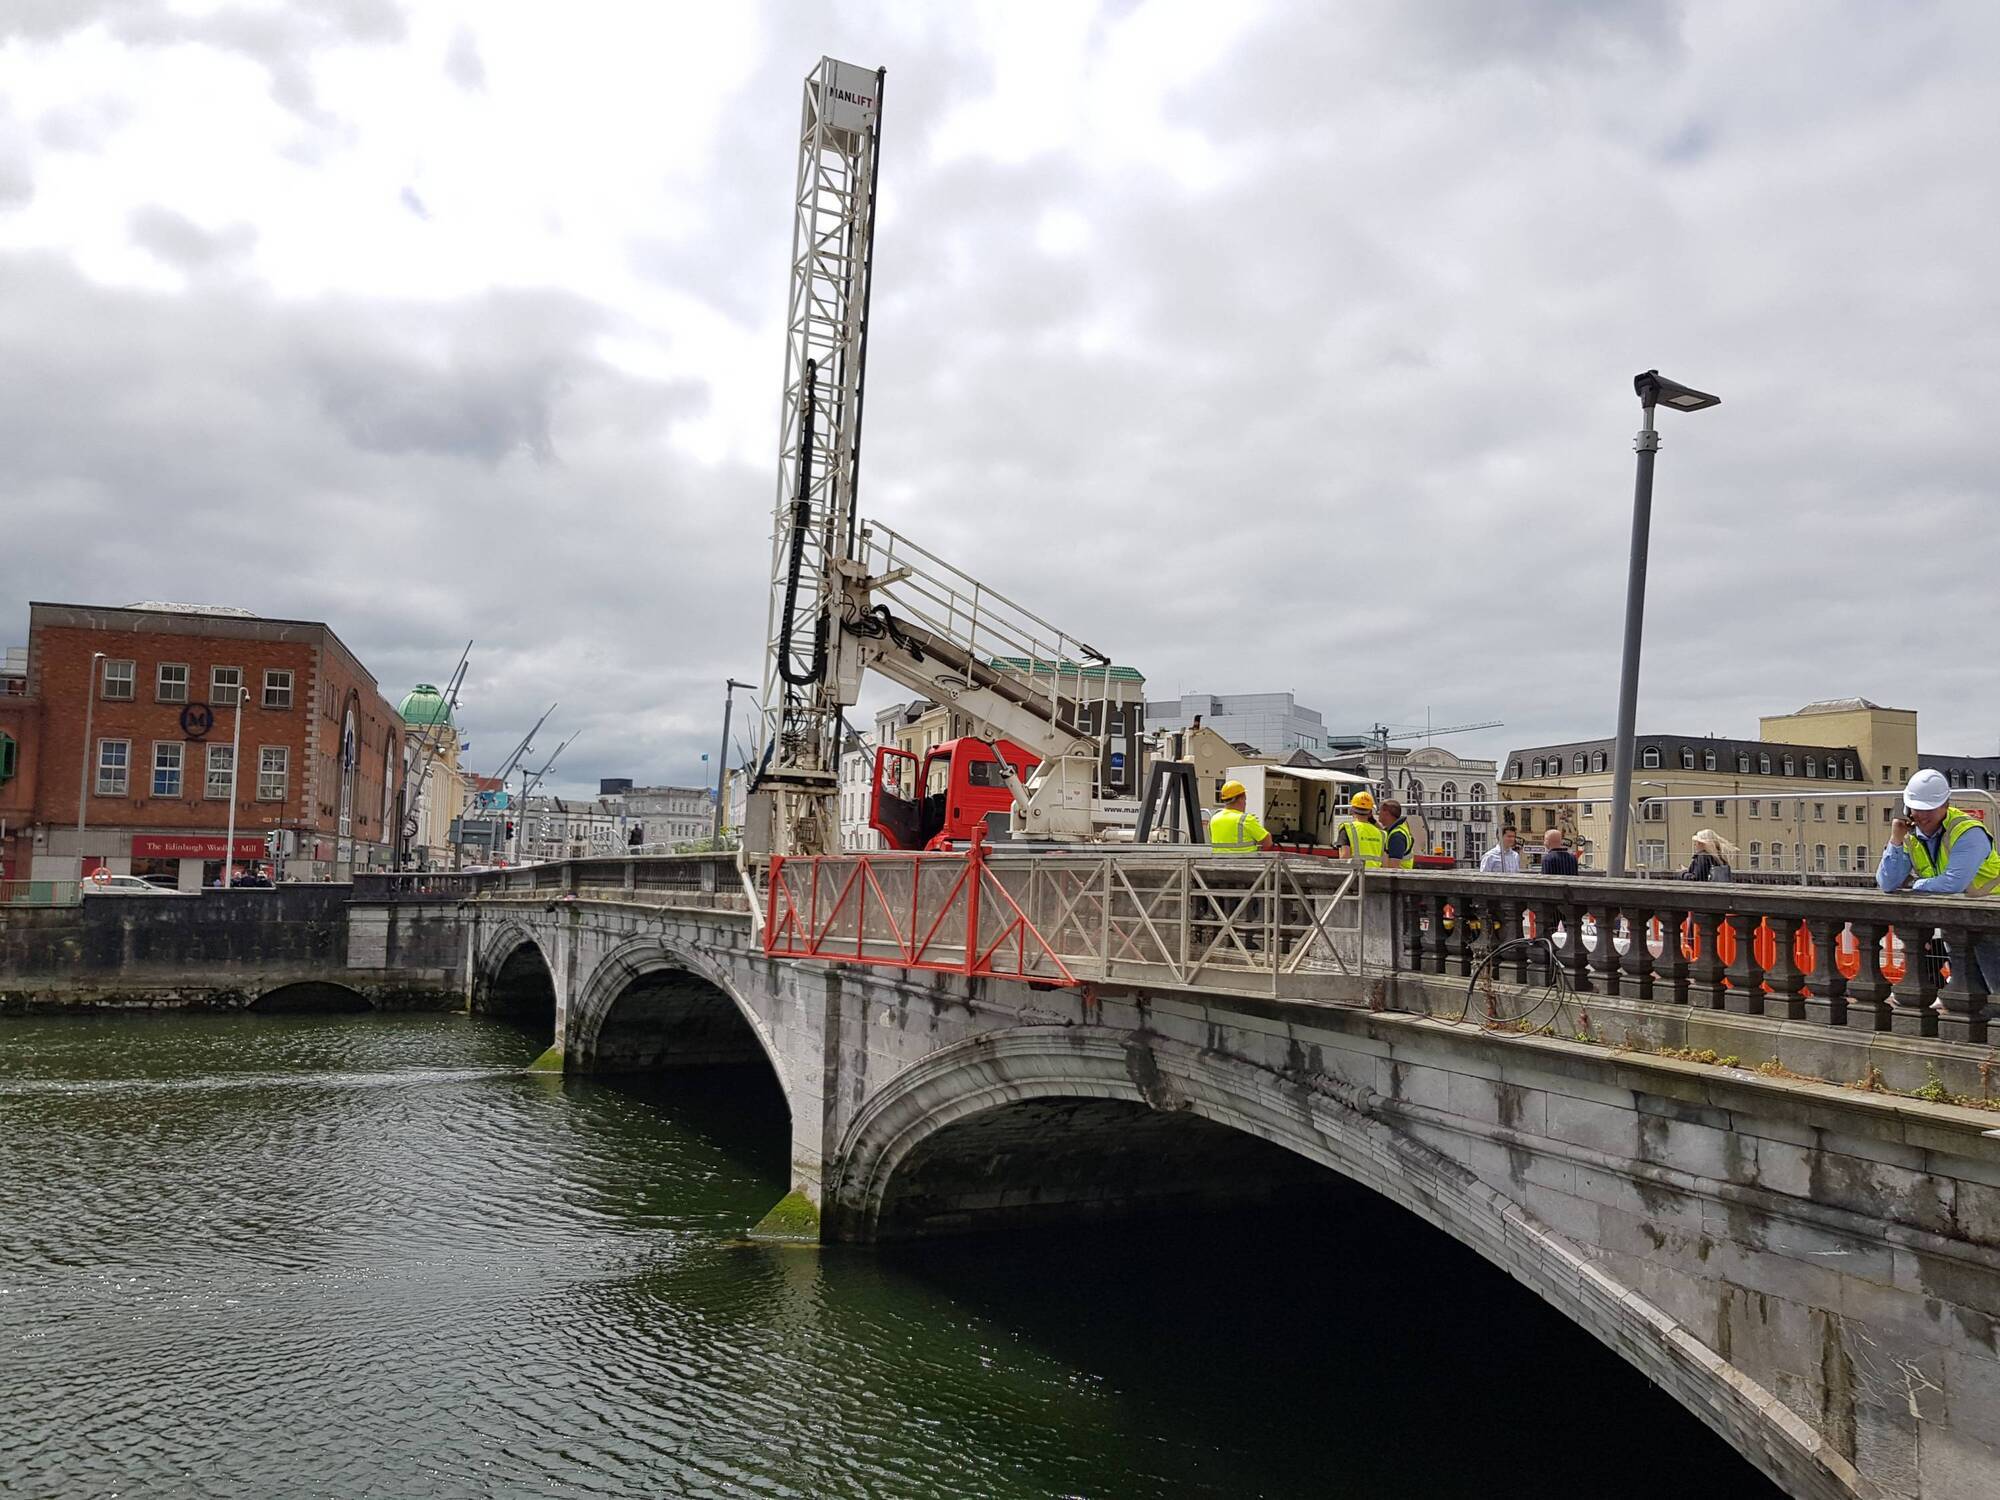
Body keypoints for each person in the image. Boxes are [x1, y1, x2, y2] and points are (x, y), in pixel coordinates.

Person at [1878, 768, 2000, 991]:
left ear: (1945, 805)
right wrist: (1895, 840)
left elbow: (1953, 884)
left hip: (1992, 917)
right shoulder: (1910, 835)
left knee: (1996, 990)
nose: (1922, 816)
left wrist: (1916, 885)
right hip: (1958, 920)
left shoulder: (1967, 831)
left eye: (1930, 810)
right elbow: (1887, 882)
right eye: (1917, 809)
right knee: (1969, 993)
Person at [1209, 780, 1274, 855]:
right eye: (1245, 799)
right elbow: (1268, 842)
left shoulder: (1214, 819)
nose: (1245, 803)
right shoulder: (1245, 819)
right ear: (1240, 799)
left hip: (1219, 865)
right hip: (1246, 864)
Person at [1333, 790, 1385, 866]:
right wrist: (1373, 821)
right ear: (1370, 812)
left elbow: (1344, 857)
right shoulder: (1381, 834)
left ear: (1352, 810)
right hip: (1376, 875)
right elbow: (1386, 863)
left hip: (1355, 875)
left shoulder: (1347, 829)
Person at [1379, 799, 1415, 869]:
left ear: (1386, 813)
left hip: (1400, 878)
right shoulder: (1398, 828)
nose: (1378, 813)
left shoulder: (1396, 837)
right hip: (1403, 877)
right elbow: (1383, 830)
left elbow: (1394, 868)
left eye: (1380, 811)